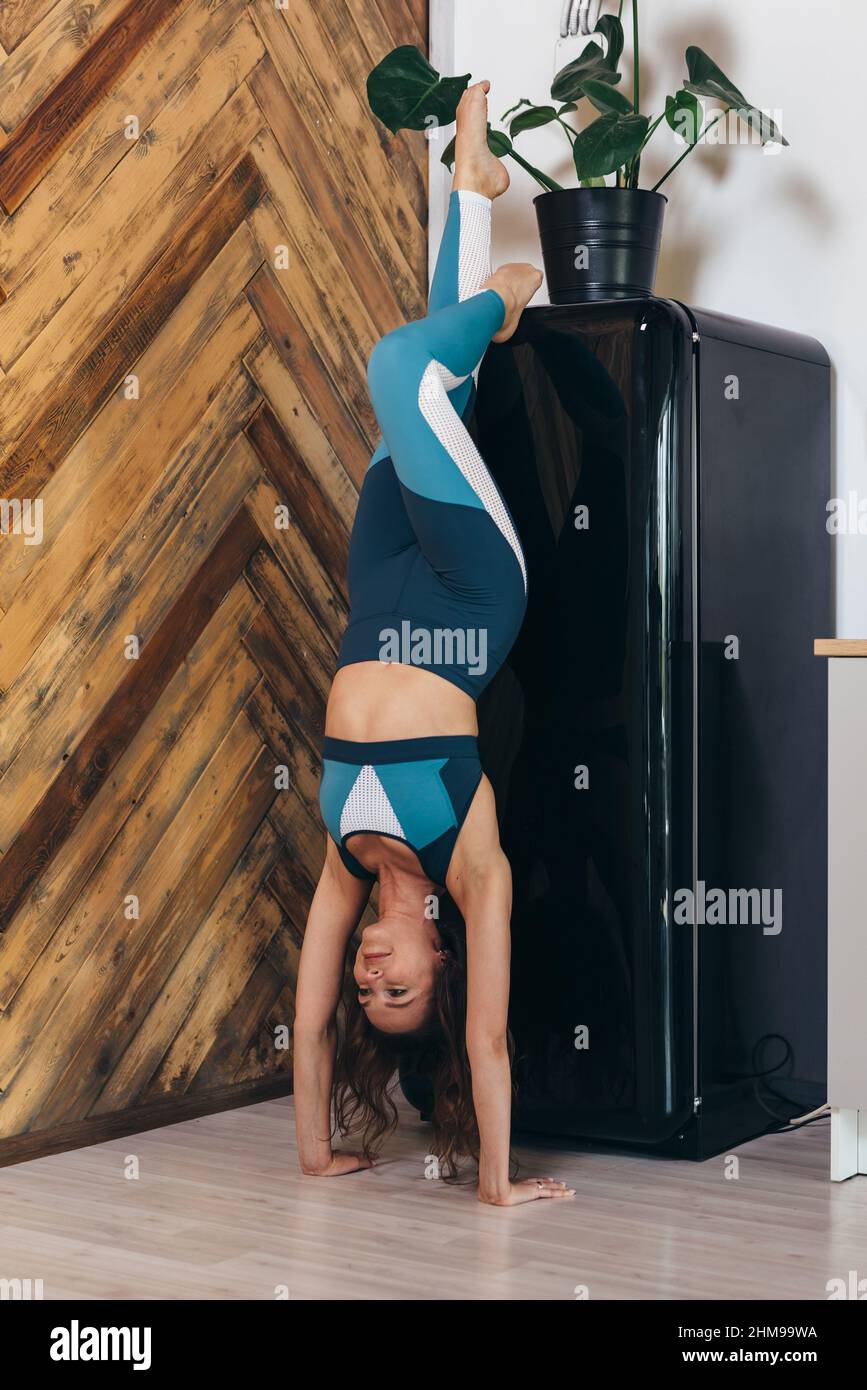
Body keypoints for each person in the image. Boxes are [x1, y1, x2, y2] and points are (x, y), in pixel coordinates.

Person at [293, 81, 575, 1206]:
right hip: (466, 597)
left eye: (372, 994)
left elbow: (306, 1025)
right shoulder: (472, 862)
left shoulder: (344, 854)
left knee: (433, 392)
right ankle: (506, 294)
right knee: (401, 373)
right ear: (439, 958)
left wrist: (315, 1156)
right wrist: (499, 1190)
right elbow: (490, 1050)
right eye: (399, 991)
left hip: (374, 588)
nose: (371, 980)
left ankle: (474, 181)